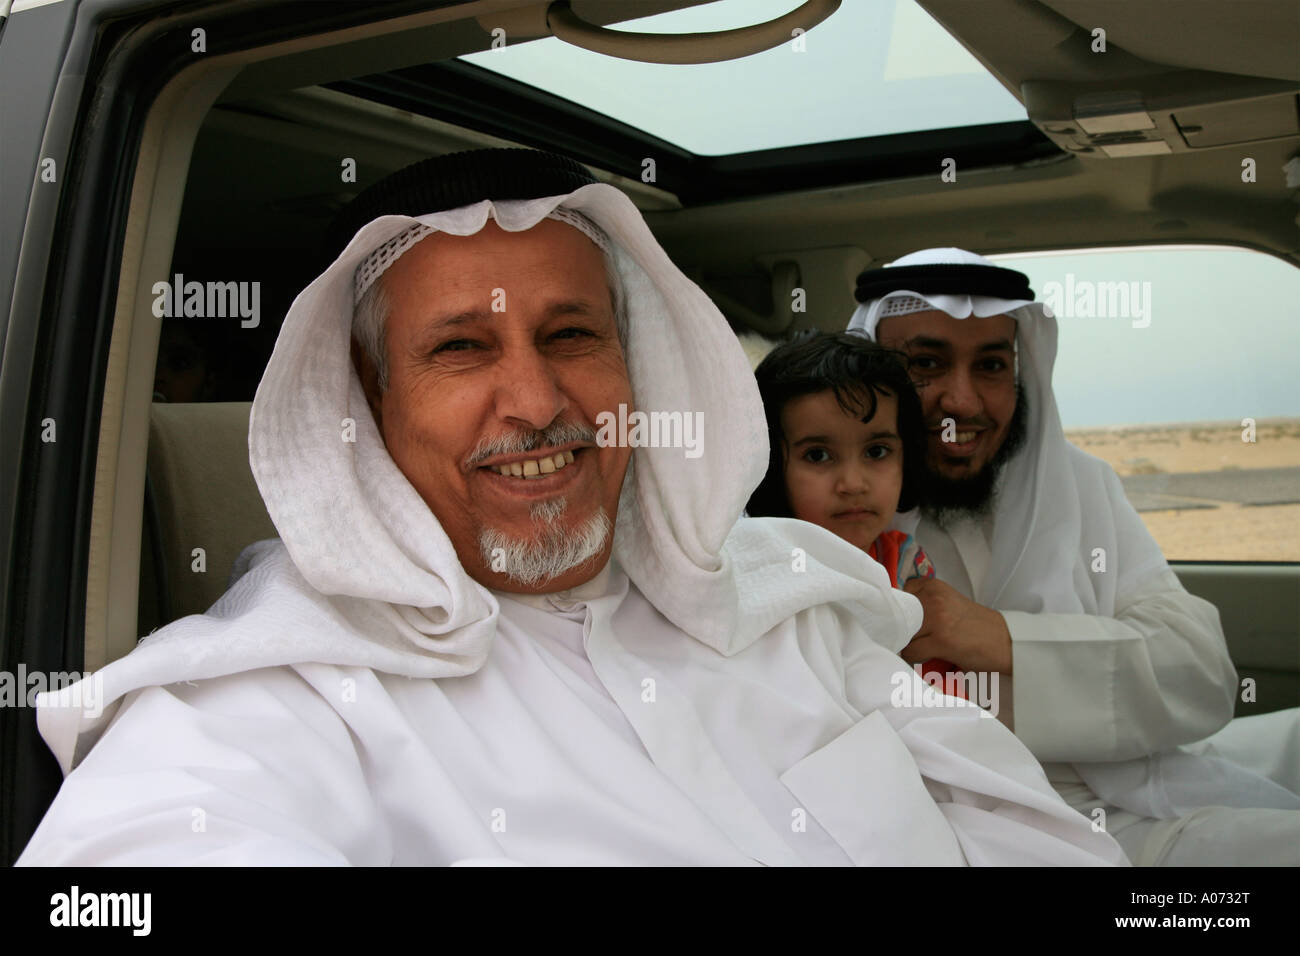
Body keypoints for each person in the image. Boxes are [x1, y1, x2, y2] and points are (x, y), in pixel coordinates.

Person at [16, 152, 1125, 866]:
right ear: (364, 402)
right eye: (460, 347)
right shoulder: (271, 698)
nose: (539, 403)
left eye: (571, 335)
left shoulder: (796, 600)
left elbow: (1036, 839)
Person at [848, 246, 1300, 866]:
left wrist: (998, 639)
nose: (964, 402)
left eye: (990, 365)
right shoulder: (836, 515)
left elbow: (1200, 672)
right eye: (925, 364)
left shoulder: (1080, 485)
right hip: (1018, 826)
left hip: (1150, 773)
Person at [747, 330, 964, 696]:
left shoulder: (906, 566)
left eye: (876, 452)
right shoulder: (757, 566)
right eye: (818, 455)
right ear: (771, 467)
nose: (852, 483)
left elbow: (939, 692)